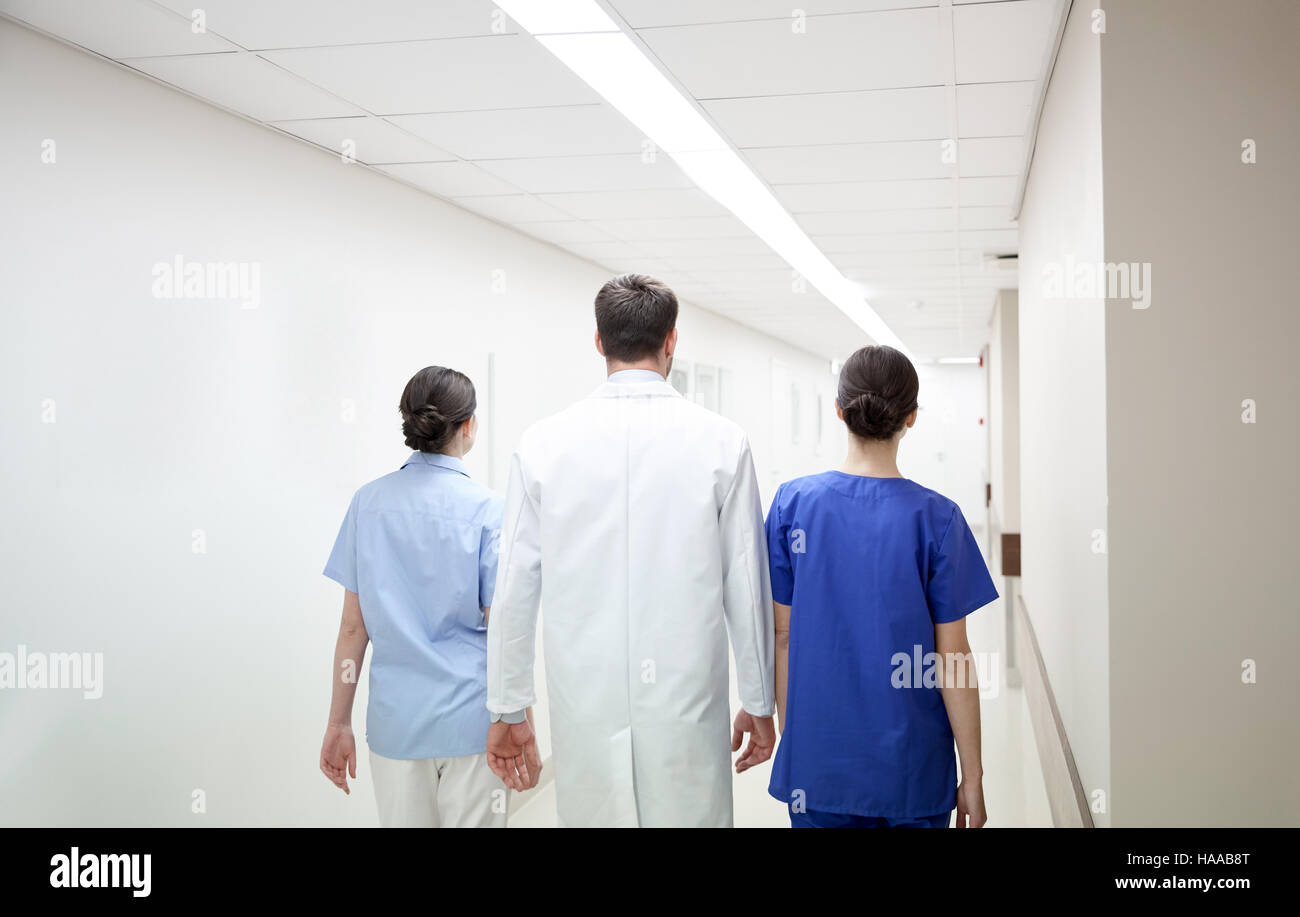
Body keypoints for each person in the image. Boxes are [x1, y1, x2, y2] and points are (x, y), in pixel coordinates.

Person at [485, 274, 776, 827]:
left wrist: (507, 705)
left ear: (599, 342)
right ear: (671, 341)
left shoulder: (543, 444)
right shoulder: (721, 442)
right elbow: (745, 581)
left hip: (584, 707)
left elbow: (514, 589)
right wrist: (759, 701)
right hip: (686, 704)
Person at [765, 345, 998, 829]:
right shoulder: (938, 519)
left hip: (819, 768)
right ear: (911, 417)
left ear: (838, 410)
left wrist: (797, 740)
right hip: (911, 772)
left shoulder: (792, 507)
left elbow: (782, 637)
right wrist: (971, 775)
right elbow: (951, 656)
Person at [319, 366, 527, 828]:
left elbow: (354, 628)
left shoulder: (367, 504)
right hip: (473, 723)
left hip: (398, 726)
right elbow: (503, 629)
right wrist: (515, 717)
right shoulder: (489, 509)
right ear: (469, 425)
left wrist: (338, 723)